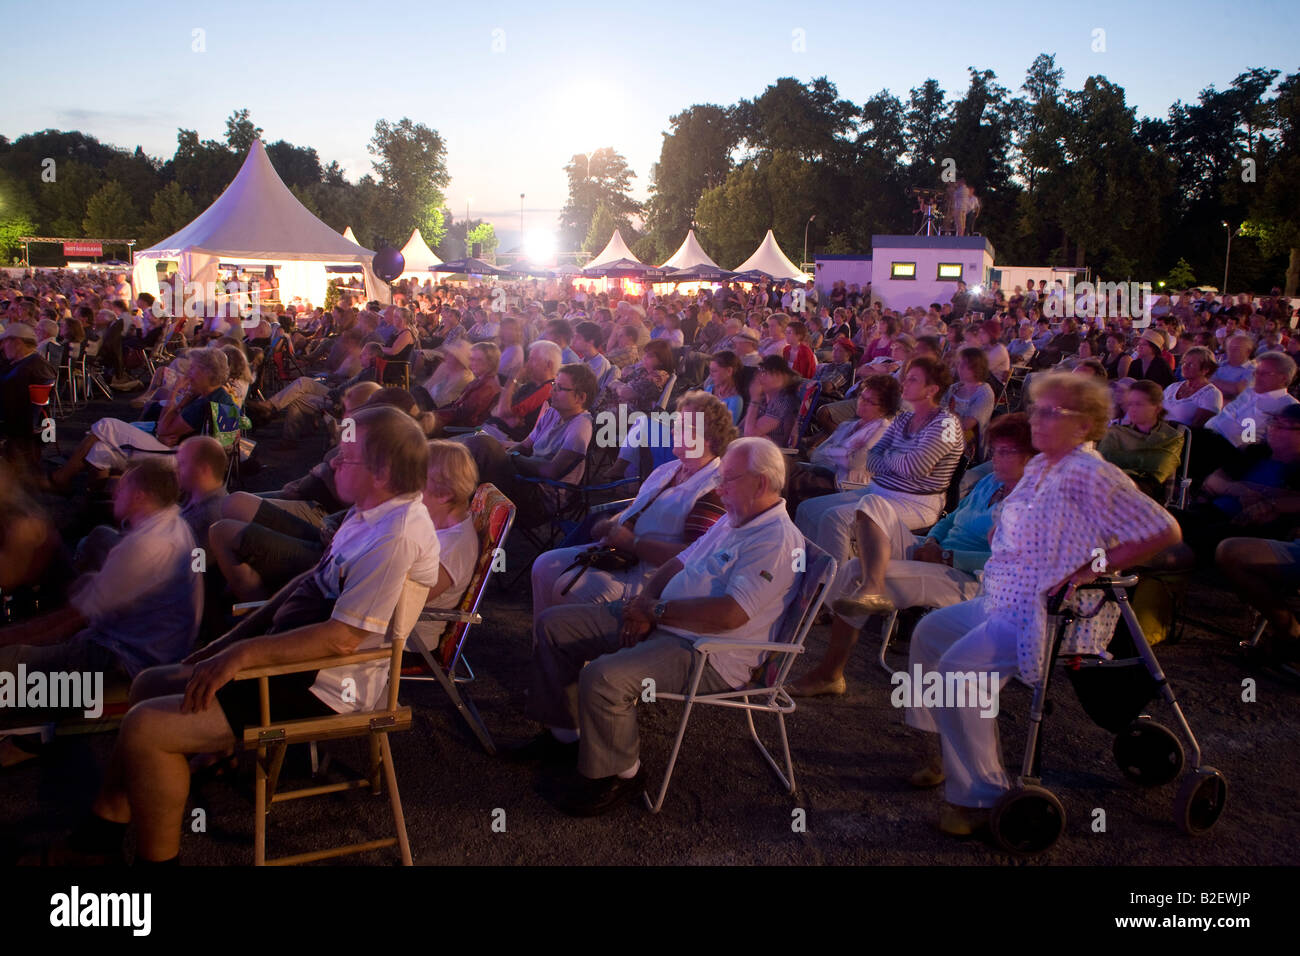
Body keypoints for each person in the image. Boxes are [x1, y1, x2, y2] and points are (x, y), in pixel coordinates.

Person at [54, 405, 439, 865]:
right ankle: (103, 830)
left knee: (147, 729)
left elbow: (341, 640)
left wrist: (240, 658)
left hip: (326, 683)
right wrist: (229, 644)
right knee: (148, 684)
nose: (335, 460)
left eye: (347, 455)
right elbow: (307, 584)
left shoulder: (395, 536)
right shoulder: (367, 514)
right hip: (300, 658)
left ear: (382, 472)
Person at [905, 373, 1181, 836]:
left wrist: (1090, 568)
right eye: (1038, 409)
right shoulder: (1042, 466)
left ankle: (980, 795)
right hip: (1002, 594)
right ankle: (942, 745)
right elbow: (1026, 523)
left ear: (1085, 423)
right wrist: (1002, 533)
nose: (1038, 419)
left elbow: (1163, 531)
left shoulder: (1090, 473)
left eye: (1052, 412)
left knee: (958, 671)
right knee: (929, 633)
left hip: (1044, 613)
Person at [515, 438, 804, 816]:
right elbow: (678, 562)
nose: (719, 488)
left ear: (761, 483)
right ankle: (564, 735)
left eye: (729, 479)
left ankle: (621, 773)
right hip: (666, 617)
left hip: (709, 650)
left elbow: (730, 615)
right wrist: (644, 604)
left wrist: (656, 611)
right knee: (554, 626)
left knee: (604, 679)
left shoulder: (775, 540)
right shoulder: (737, 518)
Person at [791, 414, 1035, 696]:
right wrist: (932, 540)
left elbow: (1009, 562)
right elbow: (951, 517)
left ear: (1031, 457)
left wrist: (947, 557)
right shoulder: (991, 482)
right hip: (934, 551)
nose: (995, 458)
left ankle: (829, 673)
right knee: (873, 503)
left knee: (855, 570)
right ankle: (873, 583)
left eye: (1005, 452)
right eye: (995, 450)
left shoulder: (1030, 503)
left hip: (966, 577)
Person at [0, 458, 202, 710]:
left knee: (8, 663)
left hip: (122, 662)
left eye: (123, 486)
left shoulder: (143, 547)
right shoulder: (175, 524)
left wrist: (8, 638)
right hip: (157, 647)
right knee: (98, 539)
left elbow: (72, 621)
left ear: (139, 496)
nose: (115, 491)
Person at [530, 391, 733, 616]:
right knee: (543, 565)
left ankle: (572, 642)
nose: (675, 430)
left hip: (651, 575)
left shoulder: (713, 489)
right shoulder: (667, 470)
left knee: (568, 588)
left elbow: (693, 556)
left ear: (710, 438)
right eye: (677, 423)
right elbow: (636, 508)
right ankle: (545, 642)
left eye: (686, 427)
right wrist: (612, 524)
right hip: (619, 554)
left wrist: (633, 542)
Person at [817, 357, 965, 615]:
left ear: (932, 390)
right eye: (906, 377)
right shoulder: (902, 420)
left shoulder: (946, 424)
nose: (904, 382)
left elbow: (915, 468)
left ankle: (831, 603)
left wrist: (891, 458)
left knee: (835, 519)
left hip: (915, 503)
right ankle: (815, 585)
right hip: (877, 491)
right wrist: (898, 459)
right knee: (810, 508)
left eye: (913, 379)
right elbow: (871, 459)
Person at [53, 347, 233, 488]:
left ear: (207, 372)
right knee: (100, 450)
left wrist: (175, 392)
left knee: (106, 425)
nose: (188, 374)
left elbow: (163, 429)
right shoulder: (214, 395)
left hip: (180, 458)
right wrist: (183, 401)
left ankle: (62, 477)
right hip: (177, 450)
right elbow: (166, 428)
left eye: (193, 369)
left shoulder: (206, 402)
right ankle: (99, 506)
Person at [462, 363, 597, 522]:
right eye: (554, 384)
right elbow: (526, 445)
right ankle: (461, 513)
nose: (552, 391)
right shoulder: (553, 412)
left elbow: (551, 471)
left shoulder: (580, 426)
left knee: (483, 446)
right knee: (478, 446)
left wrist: (510, 459)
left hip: (540, 498)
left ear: (580, 397)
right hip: (523, 480)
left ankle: (462, 515)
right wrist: (506, 456)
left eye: (560, 388)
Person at [785, 374, 900, 514]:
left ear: (885, 408)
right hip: (825, 473)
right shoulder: (847, 426)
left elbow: (855, 463)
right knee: (781, 465)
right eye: (862, 397)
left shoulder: (883, 431)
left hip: (844, 487)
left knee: (787, 480)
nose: (862, 402)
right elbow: (817, 455)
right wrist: (847, 452)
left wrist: (836, 451)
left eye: (870, 401)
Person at [1098, 380, 1184, 500]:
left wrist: (1121, 459)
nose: (1132, 409)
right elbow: (1103, 460)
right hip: (1110, 483)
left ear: (1157, 409)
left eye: (1139, 404)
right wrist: (1142, 459)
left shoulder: (1172, 436)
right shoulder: (1116, 432)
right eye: (1130, 404)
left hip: (1147, 491)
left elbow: (1157, 468)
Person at [0, 322, 56, 469]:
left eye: (4, 342)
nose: (2, 347)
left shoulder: (32, 368)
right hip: (23, 422)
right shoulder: (27, 362)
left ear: (17, 342)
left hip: (22, 426)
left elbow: (28, 409)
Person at [944, 347, 996, 461]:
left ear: (976, 368)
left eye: (964, 365)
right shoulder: (954, 388)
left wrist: (950, 413)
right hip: (945, 432)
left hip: (967, 442)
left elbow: (966, 425)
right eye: (959, 364)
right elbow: (939, 411)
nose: (959, 368)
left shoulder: (985, 393)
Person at [743, 355, 801, 443]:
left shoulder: (783, 401)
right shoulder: (765, 396)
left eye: (766, 373)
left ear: (781, 376)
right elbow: (742, 427)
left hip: (772, 449)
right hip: (755, 445)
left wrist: (754, 400)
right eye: (761, 372)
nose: (761, 378)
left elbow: (750, 434)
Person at [1162, 346, 1222, 428]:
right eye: (1184, 363)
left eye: (1190, 364)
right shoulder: (1173, 387)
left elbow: (1197, 429)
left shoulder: (1211, 394)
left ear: (1205, 369)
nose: (1184, 367)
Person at [702, 350, 745, 424]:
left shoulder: (735, 400)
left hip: (712, 434)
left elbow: (727, 429)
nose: (711, 375)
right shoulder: (710, 388)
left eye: (714, 371)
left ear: (729, 371)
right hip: (698, 430)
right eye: (710, 370)